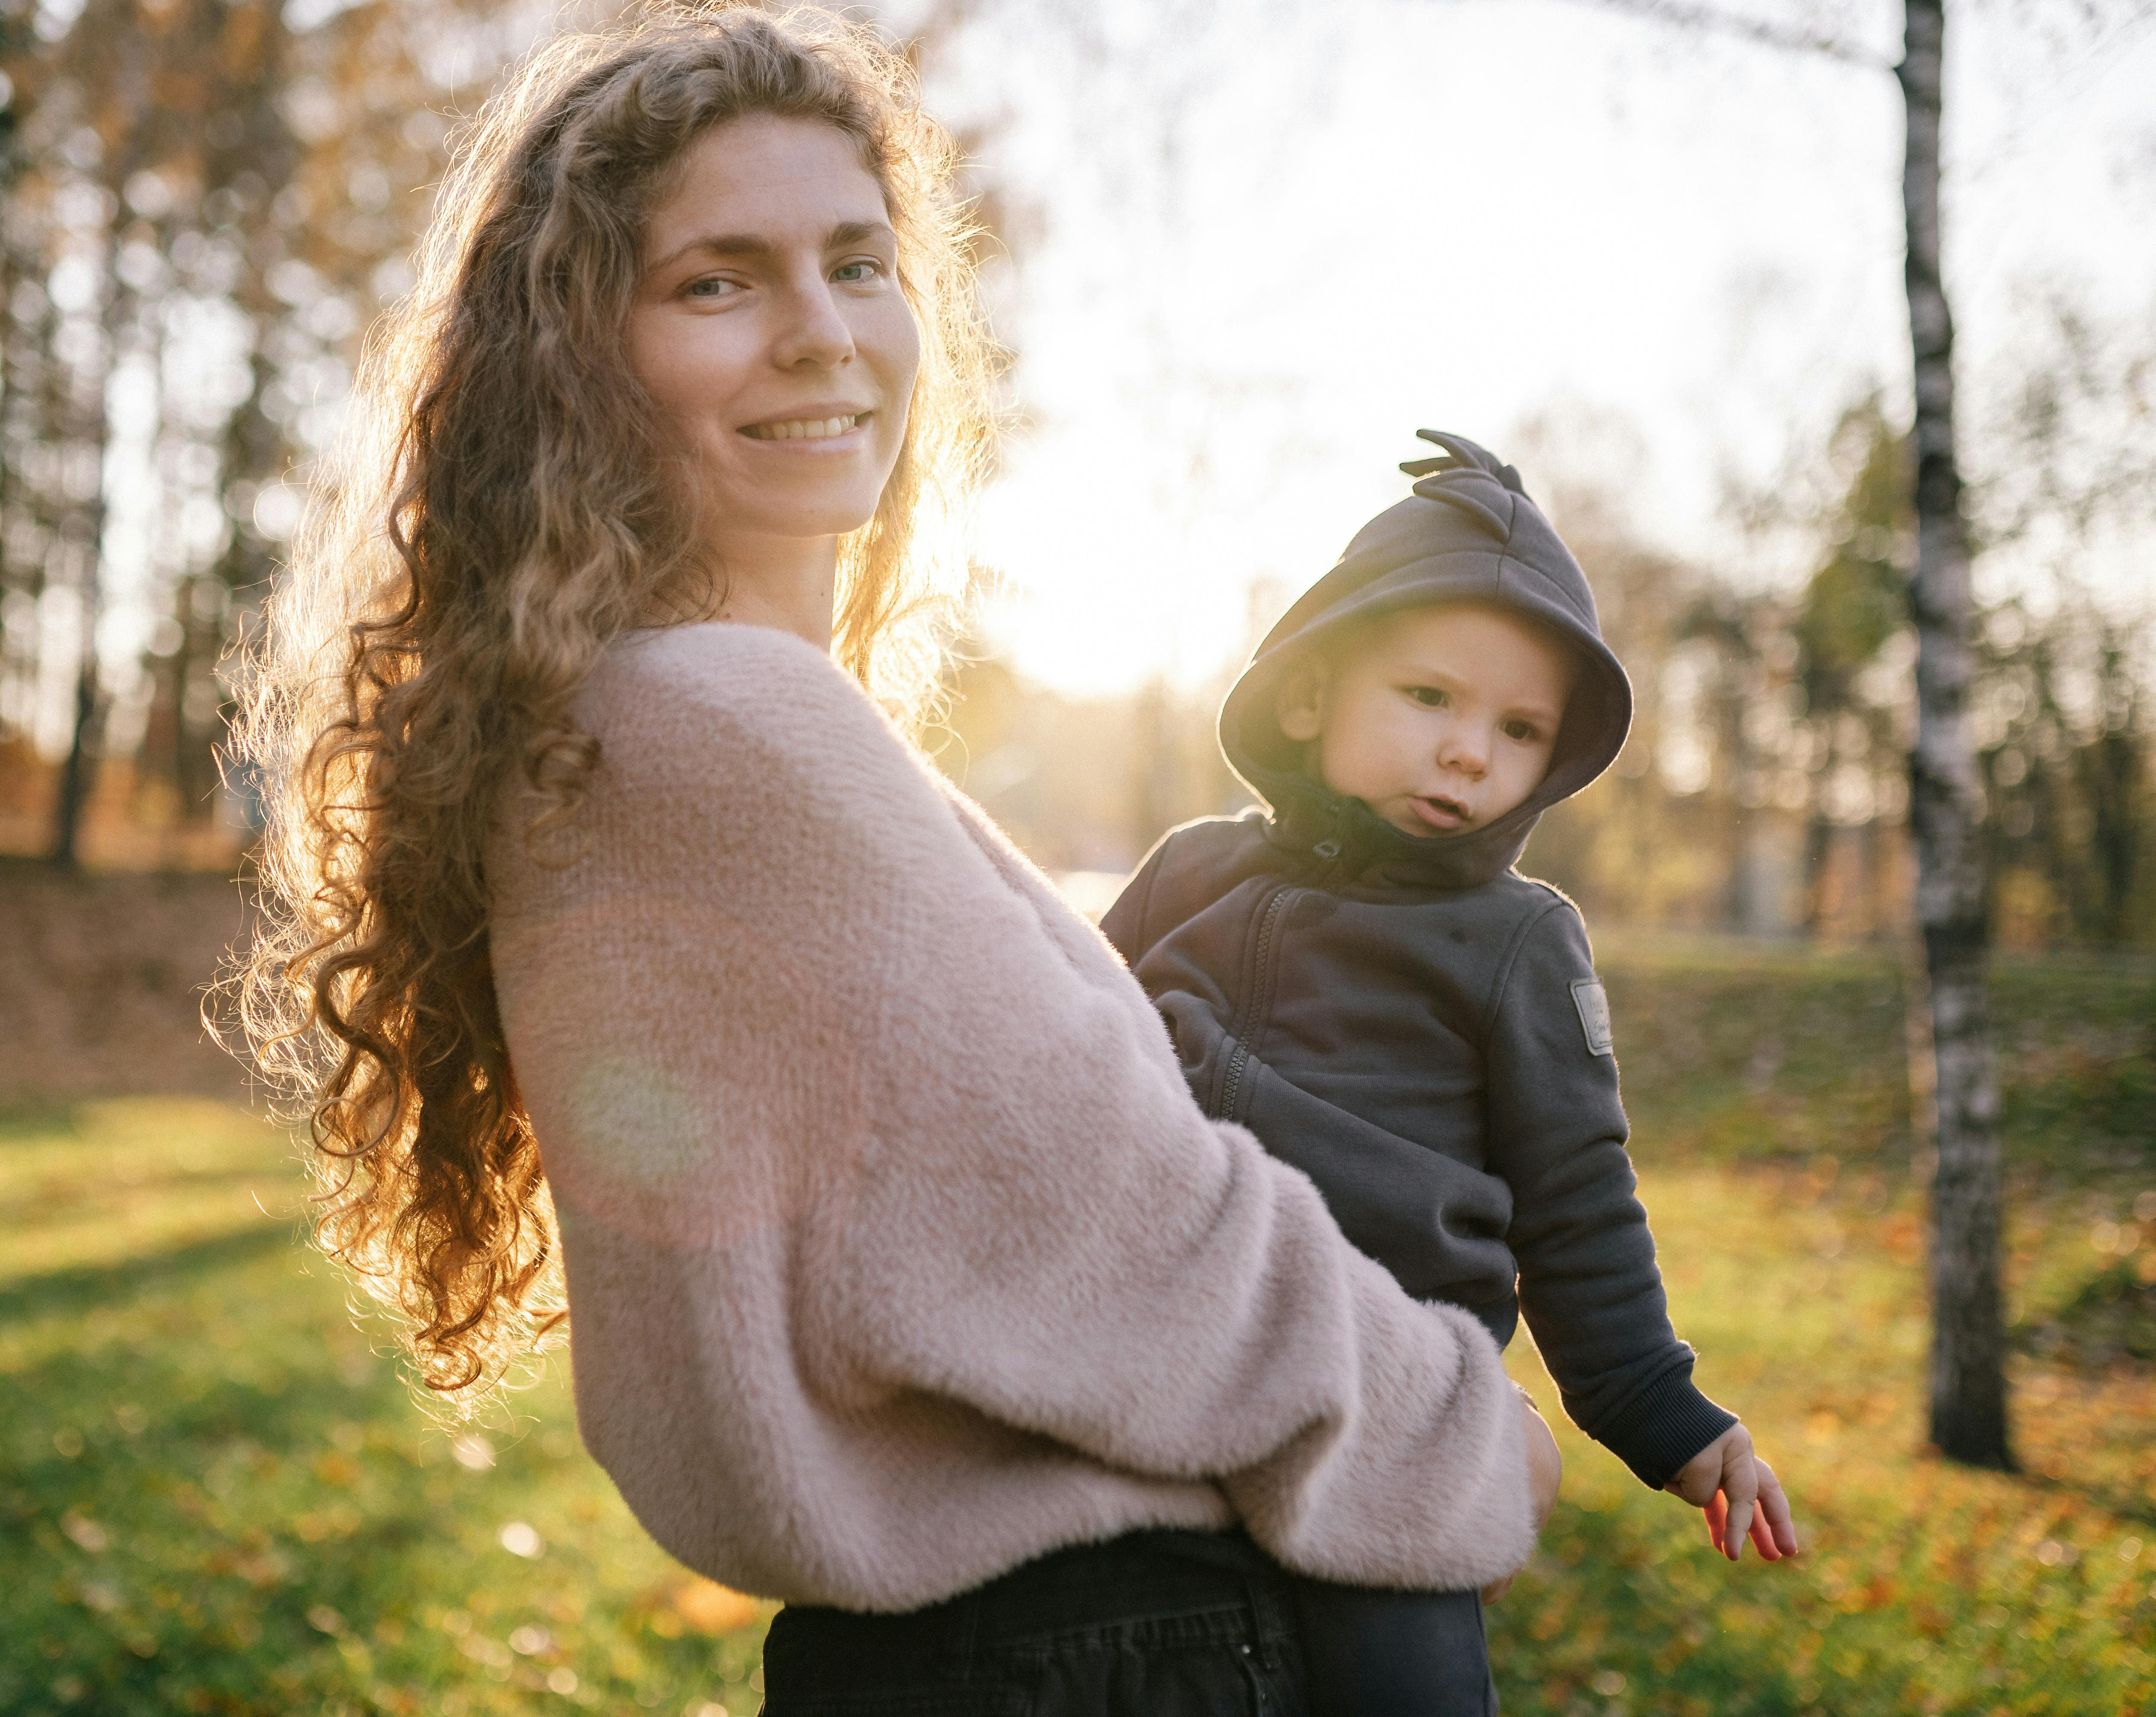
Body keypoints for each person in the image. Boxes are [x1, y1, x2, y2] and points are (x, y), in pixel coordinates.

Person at [232, 11, 1556, 1712]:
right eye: (718, 282)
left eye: (859, 263)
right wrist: (1457, 1424)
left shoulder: (641, 728)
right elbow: (1133, 1226)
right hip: (1108, 1655)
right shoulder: (717, 726)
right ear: (580, 356)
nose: (821, 335)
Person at [1103, 430, 1801, 1679]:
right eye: (1429, 698)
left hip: (1391, 1398)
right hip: (1157, 1330)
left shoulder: (1518, 939)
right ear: (1310, 692)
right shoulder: (1189, 872)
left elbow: (1577, 1201)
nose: (1472, 751)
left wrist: (1668, 1419)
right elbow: (1060, 1048)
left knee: (1400, 1665)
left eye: (1520, 729)